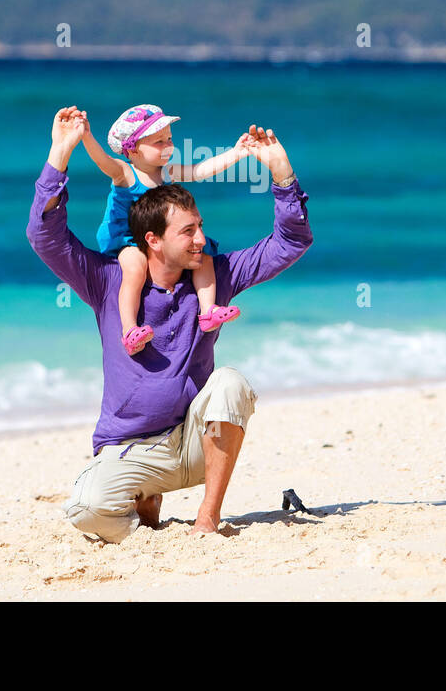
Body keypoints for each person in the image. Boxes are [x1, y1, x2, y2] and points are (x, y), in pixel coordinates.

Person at [26, 105, 312, 540]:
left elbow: (291, 241)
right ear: (152, 240)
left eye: (200, 227)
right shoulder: (107, 279)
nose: (201, 239)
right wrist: (60, 155)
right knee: (87, 511)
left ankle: (207, 517)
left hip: (196, 443)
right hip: (130, 449)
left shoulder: (216, 272)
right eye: (188, 232)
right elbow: (45, 235)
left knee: (230, 382)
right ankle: (145, 497)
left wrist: (283, 176)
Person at [79, 103, 251, 357]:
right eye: (158, 141)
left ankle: (208, 312)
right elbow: (101, 160)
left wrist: (237, 153)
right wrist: (85, 135)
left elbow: (201, 171)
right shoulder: (126, 173)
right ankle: (129, 330)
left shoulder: (168, 172)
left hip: (160, 238)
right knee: (135, 268)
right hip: (127, 238)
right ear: (133, 149)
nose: (168, 146)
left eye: (169, 139)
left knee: (203, 257)